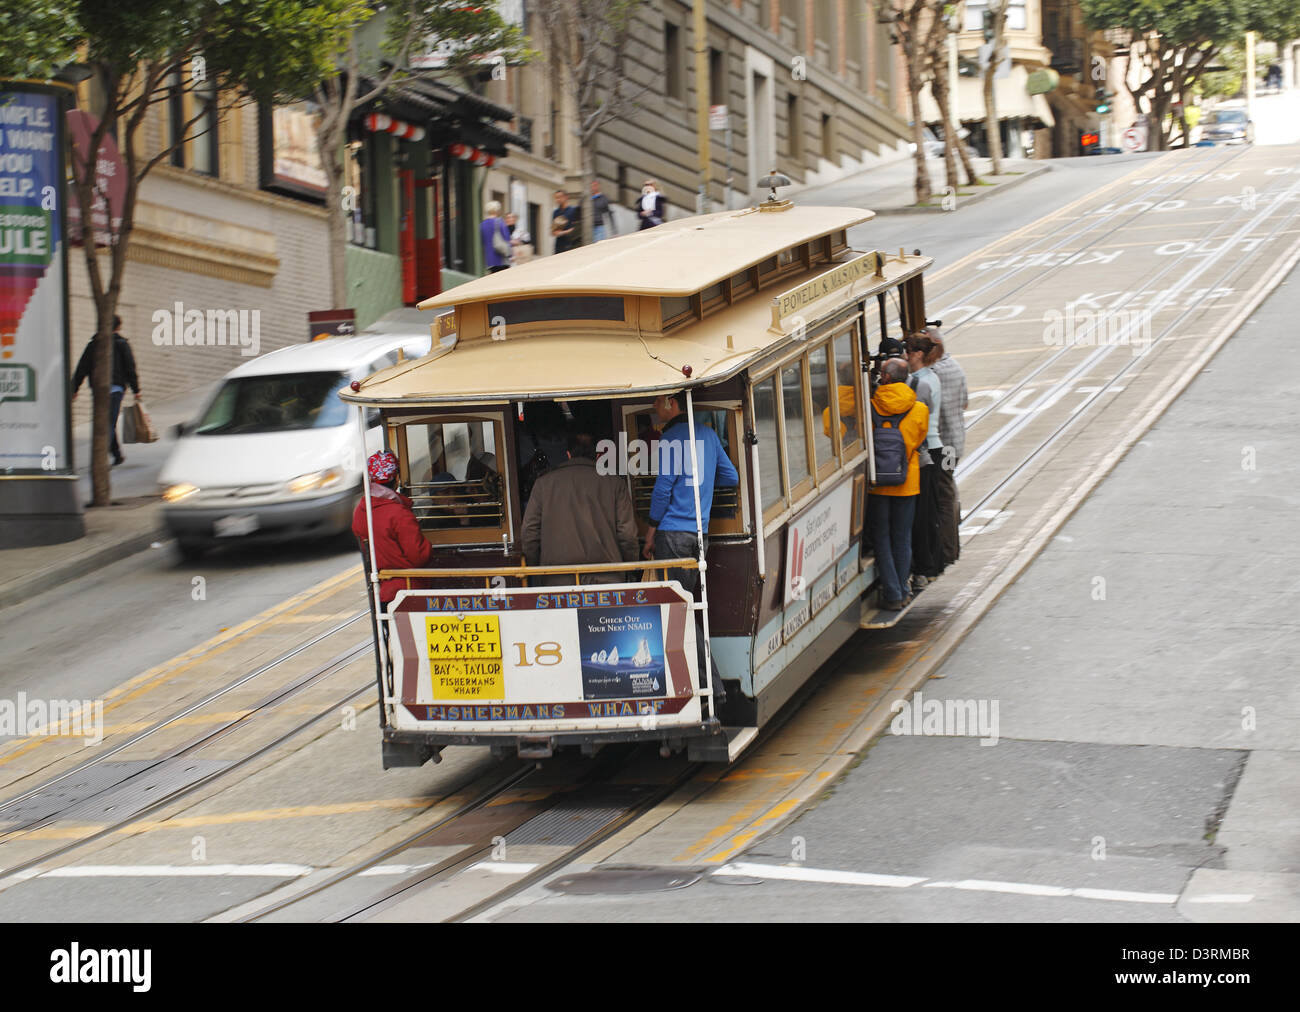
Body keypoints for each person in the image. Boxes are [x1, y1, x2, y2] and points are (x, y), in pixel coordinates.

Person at [643, 391, 739, 706]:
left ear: (672, 402)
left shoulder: (671, 438)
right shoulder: (709, 435)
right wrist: (700, 488)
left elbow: (662, 488)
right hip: (700, 536)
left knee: (678, 611)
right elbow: (731, 476)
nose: (654, 407)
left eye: (657, 401)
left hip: (672, 536)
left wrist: (650, 528)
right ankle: (698, 683)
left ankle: (709, 685)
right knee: (684, 608)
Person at [521, 430, 639, 586]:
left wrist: (535, 569)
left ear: (568, 454)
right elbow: (627, 534)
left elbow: (529, 533)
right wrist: (631, 567)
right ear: (598, 456)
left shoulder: (543, 484)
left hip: (557, 579)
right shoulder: (615, 483)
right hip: (608, 577)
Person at [867, 358, 928, 610]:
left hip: (878, 482)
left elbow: (829, 419)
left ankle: (892, 594)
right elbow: (917, 442)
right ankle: (903, 589)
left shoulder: (869, 406)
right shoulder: (919, 409)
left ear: (887, 377)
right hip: (907, 481)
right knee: (902, 538)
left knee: (882, 537)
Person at [352, 450, 433, 606]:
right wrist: (429, 546)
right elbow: (419, 556)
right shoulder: (399, 514)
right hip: (408, 591)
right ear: (396, 478)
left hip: (381, 592)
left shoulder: (361, 511)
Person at [71, 315, 140, 467]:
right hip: (115, 389)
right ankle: (106, 457)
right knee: (108, 423)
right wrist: (136, 389)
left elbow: (82, 368)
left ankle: (114, 455)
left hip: (99, 390)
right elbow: (130, 367)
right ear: (118, 327)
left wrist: (74, 388)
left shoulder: (94, 344)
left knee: (107, 422)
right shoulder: (121, 344)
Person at [905, 332, 944, 591]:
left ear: (918, 354)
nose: (906, 357)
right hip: (935, 446)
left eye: (908, 352)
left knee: (922, 514)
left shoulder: (920, 384)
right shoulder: (930, 378)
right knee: (928, 512)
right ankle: (931, 565)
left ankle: (925, 566)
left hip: (926, 450)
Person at [926, 327, 968, 567]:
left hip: (942, 446)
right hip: (955, 443)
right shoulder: (955, 367)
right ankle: (952, 541)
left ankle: (948, 549)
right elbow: (964, 403)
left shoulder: (935, 374)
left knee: (943, 495)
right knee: (949, 489)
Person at [480, 200, 512, 273]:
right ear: (497, 210)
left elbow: (482, 242)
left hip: (489, 260)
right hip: (501, 259)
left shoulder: (482, 225)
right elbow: (507, 239)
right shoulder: (500, 222)